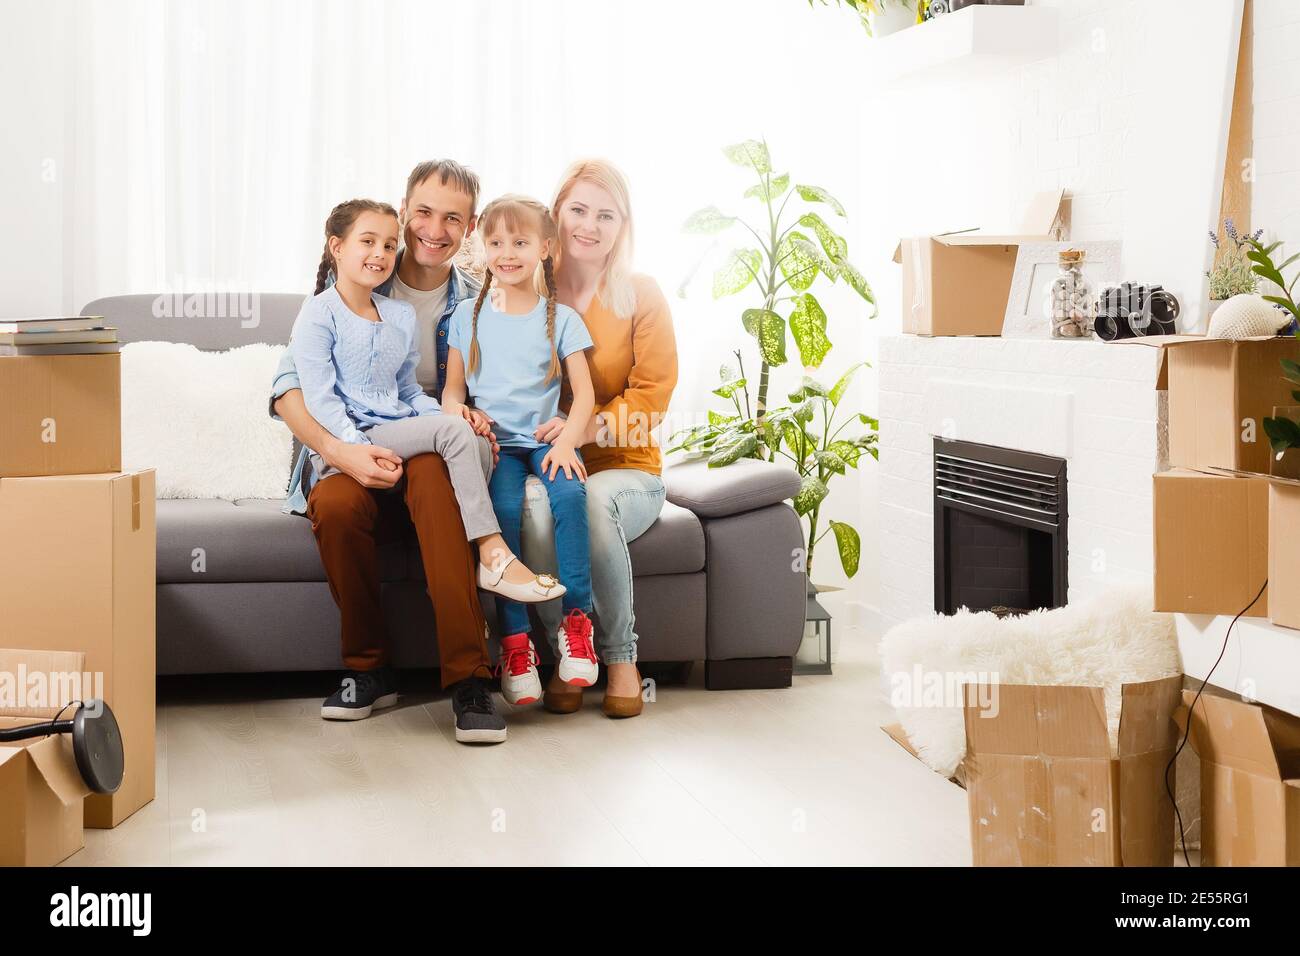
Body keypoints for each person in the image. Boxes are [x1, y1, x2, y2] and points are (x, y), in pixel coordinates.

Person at [269, 160, 509, 744]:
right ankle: (368, 667)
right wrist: (339, 451)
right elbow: (286, 390)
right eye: (423, 212)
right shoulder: (356, 281)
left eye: (453, 218)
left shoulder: (478, 303)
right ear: (405, 212)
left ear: (470, 226)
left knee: (432, 478)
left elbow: (480, 389)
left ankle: (469, 677)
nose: (435, 228)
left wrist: (477, 419)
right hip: (349, 442)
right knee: (336, 504)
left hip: (425, 440)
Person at [520, 160, 679, 719]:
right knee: (539, 504)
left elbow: (653, 396)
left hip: (627, 469)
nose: (589, 225)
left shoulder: (641, 294)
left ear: (623, 225)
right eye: (578, 210)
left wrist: (583, 430)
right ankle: (567, 652)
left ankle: (619, 658)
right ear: (557, 214)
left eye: (605, 215)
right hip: (545, 464)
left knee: (588, 499)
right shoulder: (526, 291)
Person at [442, 195, 598, 708]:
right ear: (481, 246)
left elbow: (585, 395)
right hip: (496, 447)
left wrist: (570, 440)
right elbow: (452, 393)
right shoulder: (467, 314)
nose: (507, 253)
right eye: (495, 242)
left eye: (520, 242)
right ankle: (514, 643)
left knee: (572, 498)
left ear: (546, 249)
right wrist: (463, 416)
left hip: (544, 442)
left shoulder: (564, 318)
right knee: (503, 511)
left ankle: (577, 626)